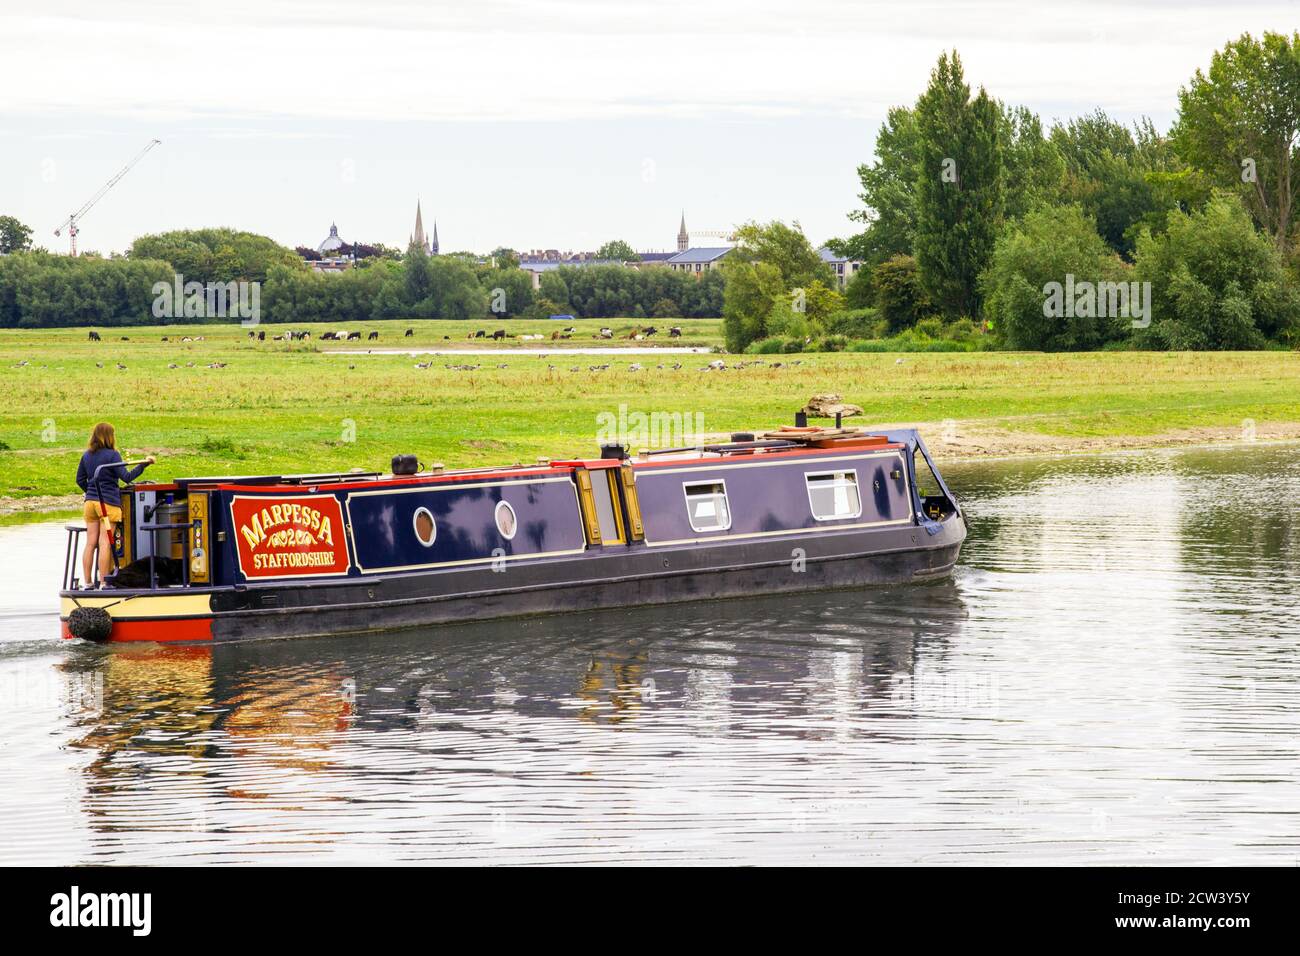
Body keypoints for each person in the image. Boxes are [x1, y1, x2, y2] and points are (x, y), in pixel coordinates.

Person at [75, 423, 154, 588]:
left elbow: (80, 480)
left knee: (90, 543)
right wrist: (144, 465)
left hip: (90, 503)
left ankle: (88, 583)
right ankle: (104, 582)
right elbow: (127, 476)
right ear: (110, 436)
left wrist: (92, 491)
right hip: (107, 504)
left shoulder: (87, 455)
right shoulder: (113, 455)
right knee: (105, 542)